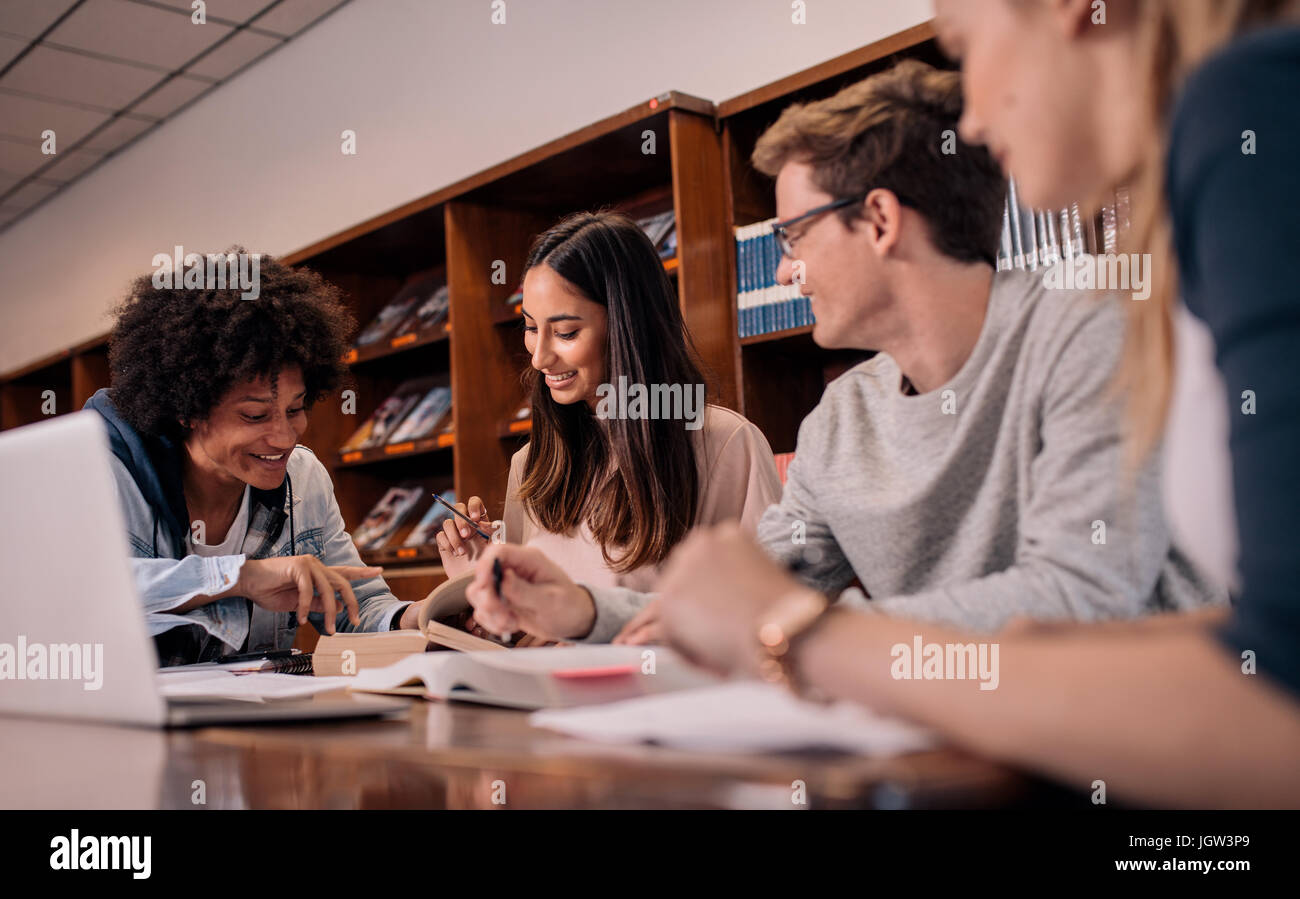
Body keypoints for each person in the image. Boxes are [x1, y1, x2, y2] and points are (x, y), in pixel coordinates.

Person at [642, 0, 1300, 807]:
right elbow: (1256, 646)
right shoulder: (841, 416)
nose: (977, 121)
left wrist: (807, 636)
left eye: (963, 44)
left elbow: (1265, 682)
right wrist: (598, 610)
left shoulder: (1245, 112)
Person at [471, 60, 1221, 649]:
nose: (786, 271)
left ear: (881, 220)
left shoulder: (1088, 338)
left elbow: (1082, 597)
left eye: (792, 237)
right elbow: (750, 594)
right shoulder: (841, 419)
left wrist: (823, 635)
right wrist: (582, 607)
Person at [435, 211, 782, 643]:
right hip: (542, 703)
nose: (539, 357)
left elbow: (769, 618)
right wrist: (485, 588)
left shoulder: (725, 443)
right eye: (529, 327)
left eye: (564, 332)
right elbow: (523, 640)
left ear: (626, 325)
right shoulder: (532, 463)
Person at [87, 250, 422, 666]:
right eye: (254, 415)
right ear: (187, 408)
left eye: (296, 410)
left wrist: (423, 616)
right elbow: (84, 593)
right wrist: (240, 577)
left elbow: (356, 607)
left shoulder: (303, 477)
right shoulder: (106, 474)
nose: (284, 437)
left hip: (253, 725)